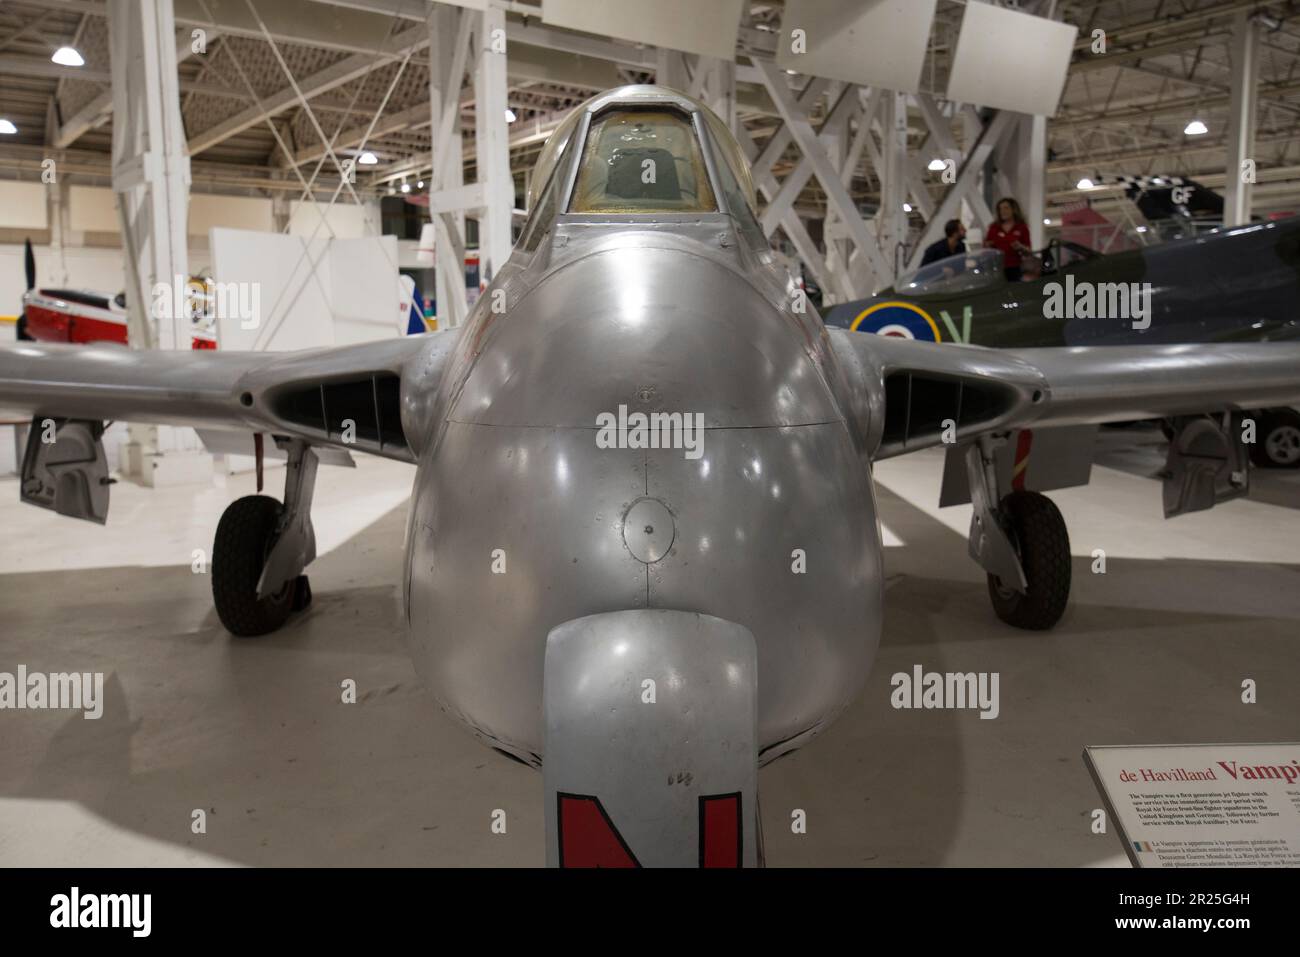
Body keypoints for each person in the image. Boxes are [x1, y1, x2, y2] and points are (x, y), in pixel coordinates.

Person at [985, 197, 1032, 281]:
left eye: (1006, 208)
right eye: (1000, 209)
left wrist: (1020, 247)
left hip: (1015, 268)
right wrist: (989, 245)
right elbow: (985, 247)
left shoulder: (1022, 227)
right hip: (996, 268)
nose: (1002, 211)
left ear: (1013, 210)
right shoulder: (994, 227)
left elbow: (1028, 251)